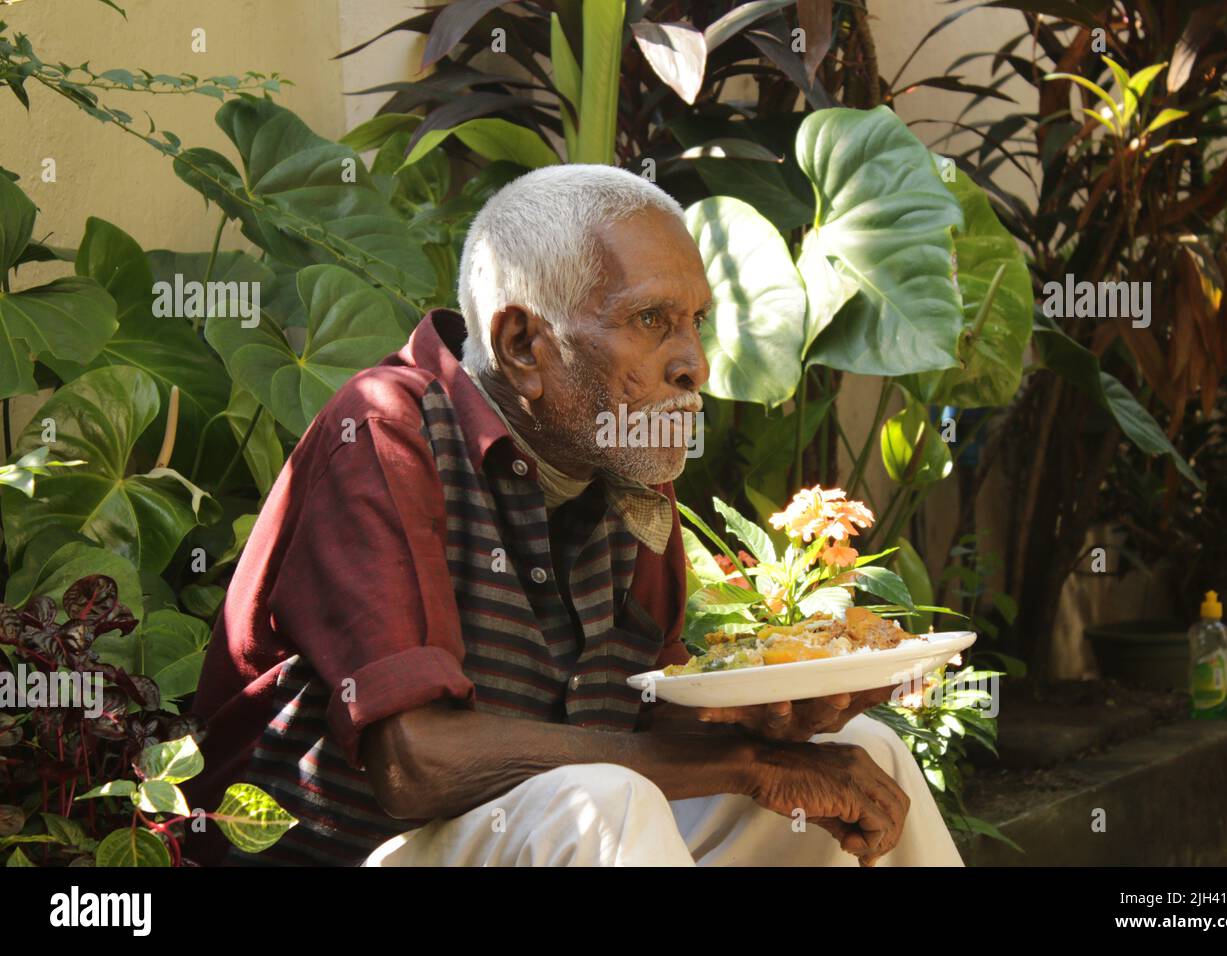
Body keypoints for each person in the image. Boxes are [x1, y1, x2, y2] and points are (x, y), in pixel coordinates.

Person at [187, 163, 964, 867]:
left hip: (528, 839)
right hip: (341, 853)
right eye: (653, 321)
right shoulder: (386, 431)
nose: (694, 362)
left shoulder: (626, 466)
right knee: (599, 806)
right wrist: (749, 768)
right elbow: (413, 763)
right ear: (524, 345)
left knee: (863, 755)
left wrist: (773, 729)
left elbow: (642, 730)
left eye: (697, 321)